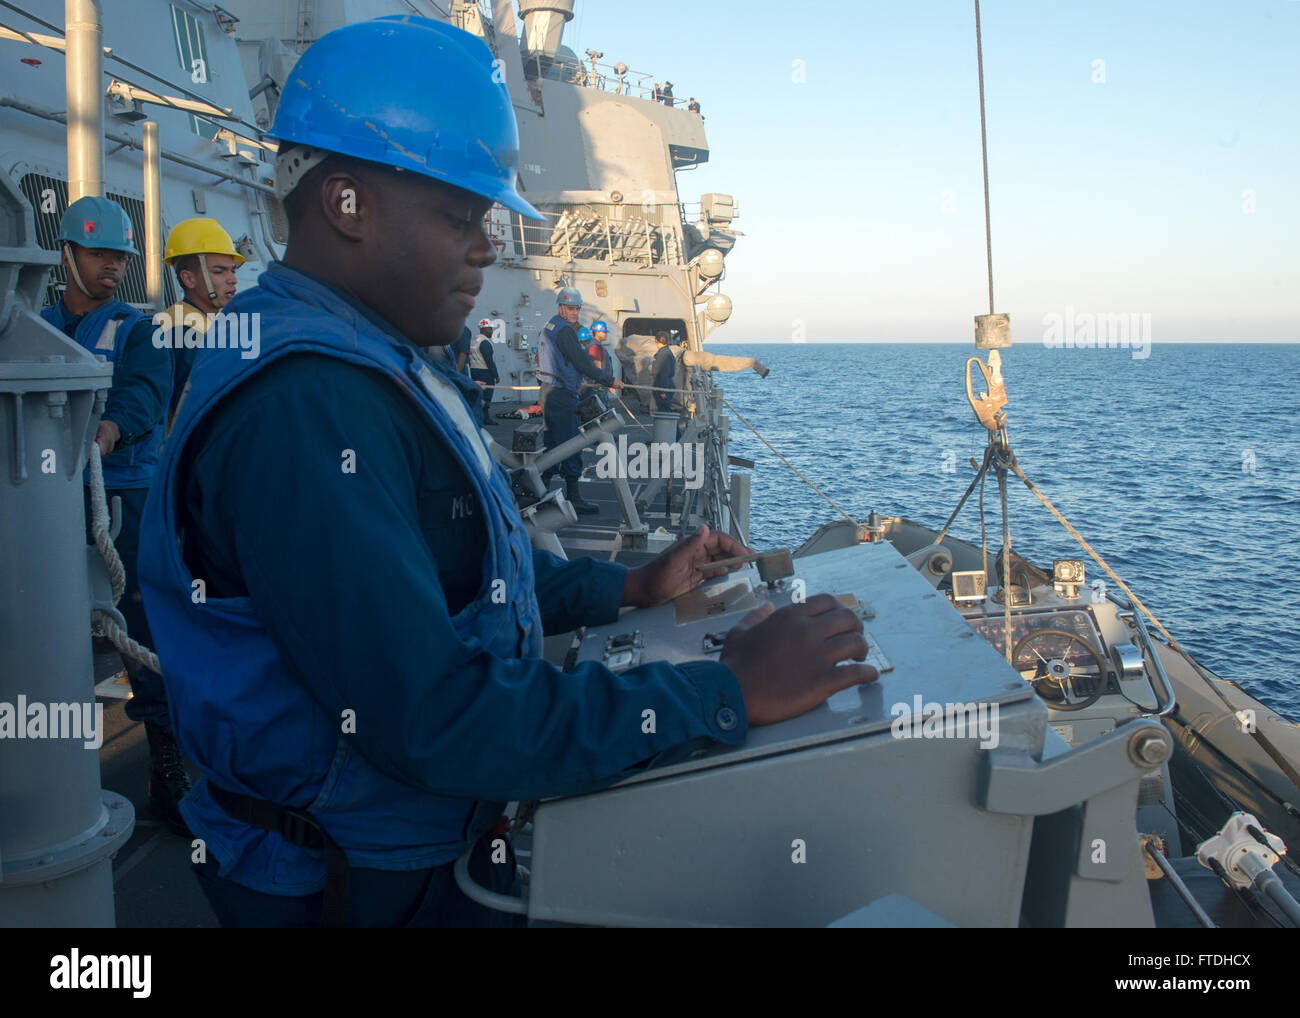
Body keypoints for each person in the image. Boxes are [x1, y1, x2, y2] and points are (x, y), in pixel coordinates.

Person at [138, 15, 874, 929]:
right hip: (350, 885)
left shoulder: (378, 359)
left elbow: (457, 577)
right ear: (346, 204)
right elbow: (430, 717)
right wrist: (725, 693)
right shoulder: (307, 407)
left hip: (400, 846)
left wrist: (629, 584)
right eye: (461, 214)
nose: (489, 243)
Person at [41, 196, 189, 834]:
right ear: (67, 254)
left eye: (119, 258)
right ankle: (47, 772)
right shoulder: (32, 323)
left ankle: (168, 766)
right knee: (42, 634)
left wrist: (107, 430)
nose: (111, 267)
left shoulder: (142, 328)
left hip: (122, 494)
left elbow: (145, 393)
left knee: (141, 627)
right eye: (98, 254)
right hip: (44, 499)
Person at [537, 287, 622, 515]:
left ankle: (539, 492)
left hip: (548, 391)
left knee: (553, 443)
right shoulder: (565, 331)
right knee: (571, 444)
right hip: (561, 393)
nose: (574, 313)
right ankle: (573, 497)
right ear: (561, 308)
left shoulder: (550, 326)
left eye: (577, 309)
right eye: (570, 308)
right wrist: (609, 379)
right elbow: (582, 362)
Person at [159, 217, 243, 426]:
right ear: (189, 279)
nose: (232, 279)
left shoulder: (205, 322)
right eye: (219, 271)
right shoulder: (182, 329)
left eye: (232, 270)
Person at [469, 318, 499, 425]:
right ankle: (485, 418)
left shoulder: (474, 340)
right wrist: (496, 375)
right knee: (486, 396)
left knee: (477, 395)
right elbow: (489, 360)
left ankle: (476, 416)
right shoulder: (485, 342)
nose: (491, 331)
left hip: (474, 371)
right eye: (490, 329)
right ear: (485, 329)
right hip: (485, 373)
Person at [652, 330, 676, 413]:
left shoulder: (663, 354)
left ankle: (673, 426)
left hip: (663, 385)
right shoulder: (667, 352)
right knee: (665, 410)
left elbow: (664, 373)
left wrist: (663, 390)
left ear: (656, 341)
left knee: (665, 410)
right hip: (667, 384)